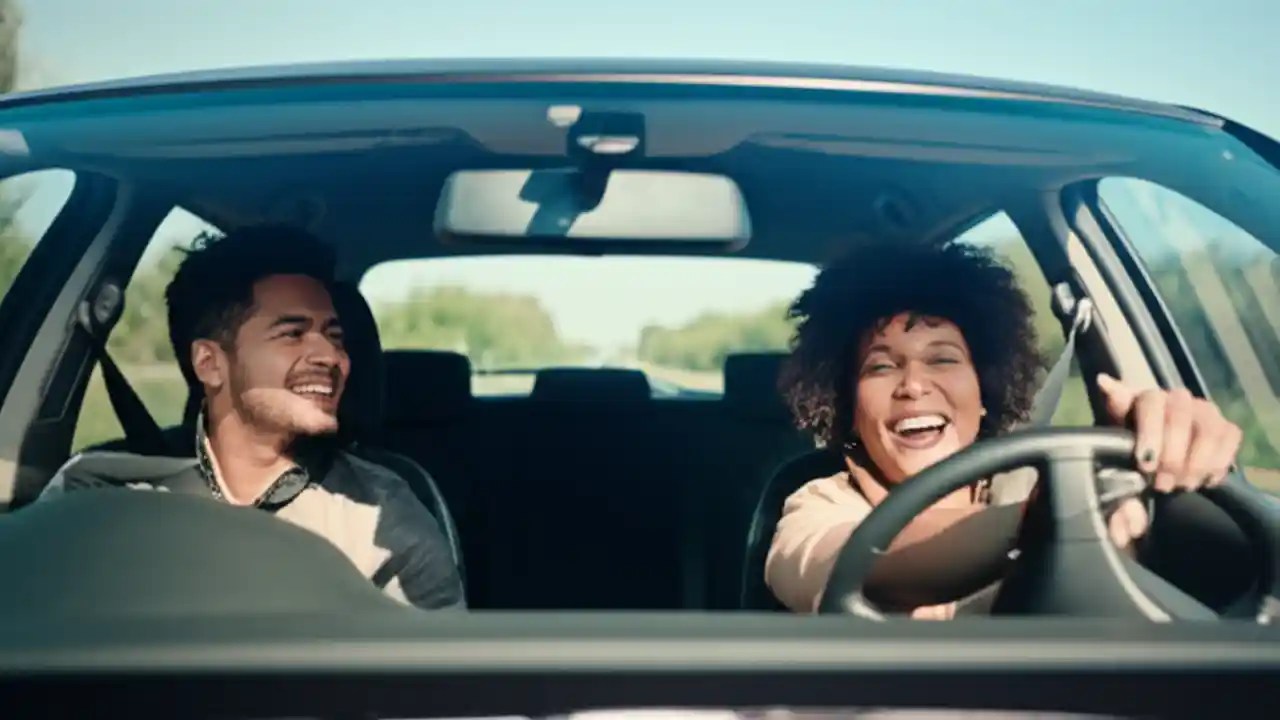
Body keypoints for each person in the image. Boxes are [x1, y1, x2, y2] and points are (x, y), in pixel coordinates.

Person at [764, 238, 1242, 619]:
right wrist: (1061, 516)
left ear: (984, 389)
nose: (913, 385)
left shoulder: (1039, 476)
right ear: (846, 404)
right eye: (880, 367)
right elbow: (863, 562)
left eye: (943, 359)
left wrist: (1179, 448)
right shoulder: (815, 504)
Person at [41, 225, 465, 611]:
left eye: (335, 336)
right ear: (209, 364)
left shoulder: (380, 516)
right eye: (292, 333)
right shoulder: (101, 492)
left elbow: (438, 683)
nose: (330, 356)